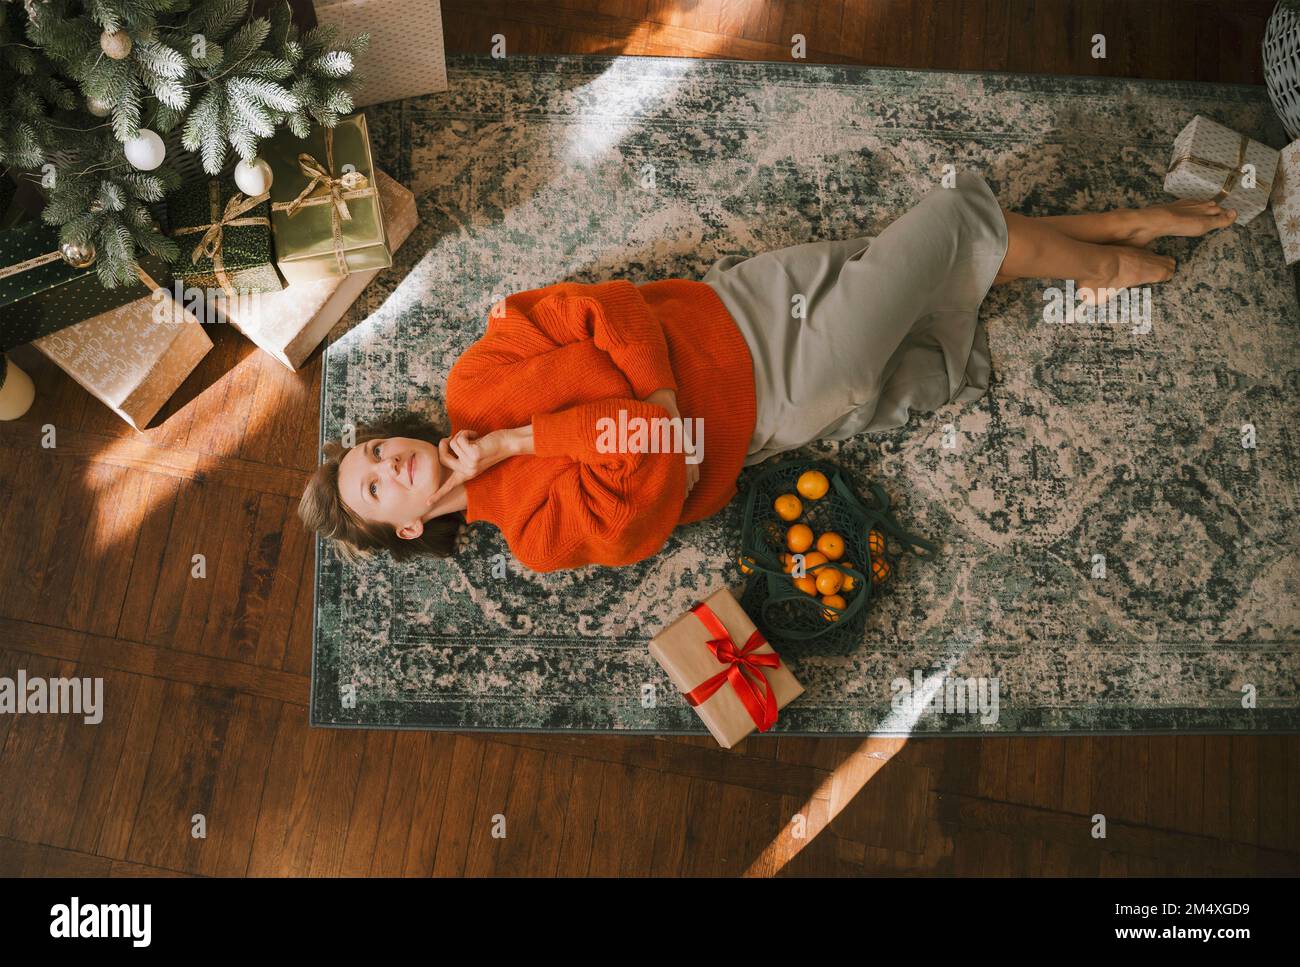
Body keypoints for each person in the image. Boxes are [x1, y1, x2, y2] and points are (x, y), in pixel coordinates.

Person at [298, 171, 1236, 572]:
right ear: (410, 522)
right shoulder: (537, 533)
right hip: (783, 397)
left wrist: (649, 397)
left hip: (746, 299)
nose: (392, 461)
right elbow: (657, 459)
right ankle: (1113, 257)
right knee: (946, 225)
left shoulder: (474, 374)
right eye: (379, 486)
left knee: (921, 274)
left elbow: (606, 305)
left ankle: (1112, 228)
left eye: (377, 450)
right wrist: (522, 439)